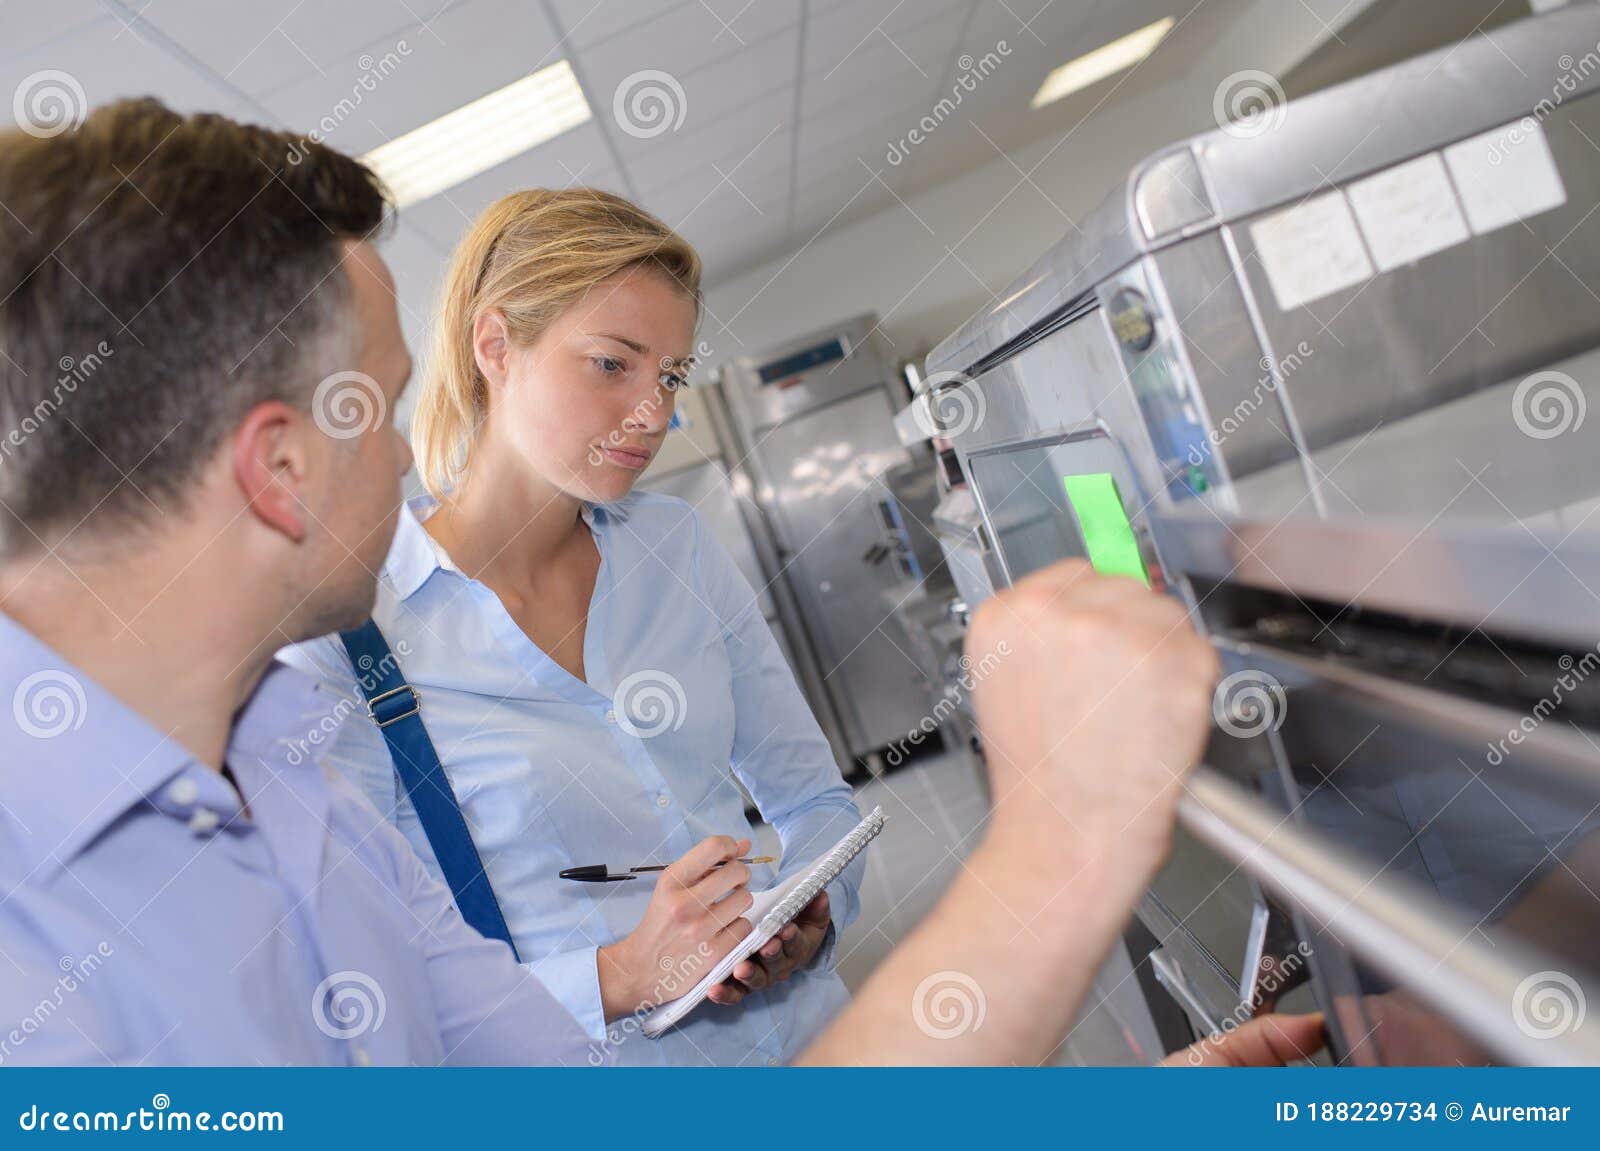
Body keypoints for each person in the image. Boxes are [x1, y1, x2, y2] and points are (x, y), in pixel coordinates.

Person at [0, 100, 1320, 1067]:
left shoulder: (288, 792)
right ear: (279, 468)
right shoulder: (52, 960)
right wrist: (1069, 821)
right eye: (382, 408)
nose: (404, 454)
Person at [276, 190, 860, 1065]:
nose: (652, 413)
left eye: (669, 375)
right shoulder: (349, 635)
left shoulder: (678, 548)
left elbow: (817, 802)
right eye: (611, 365)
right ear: (496, 345)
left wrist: (811, 919)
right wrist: (623, 973)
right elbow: (364, 985)